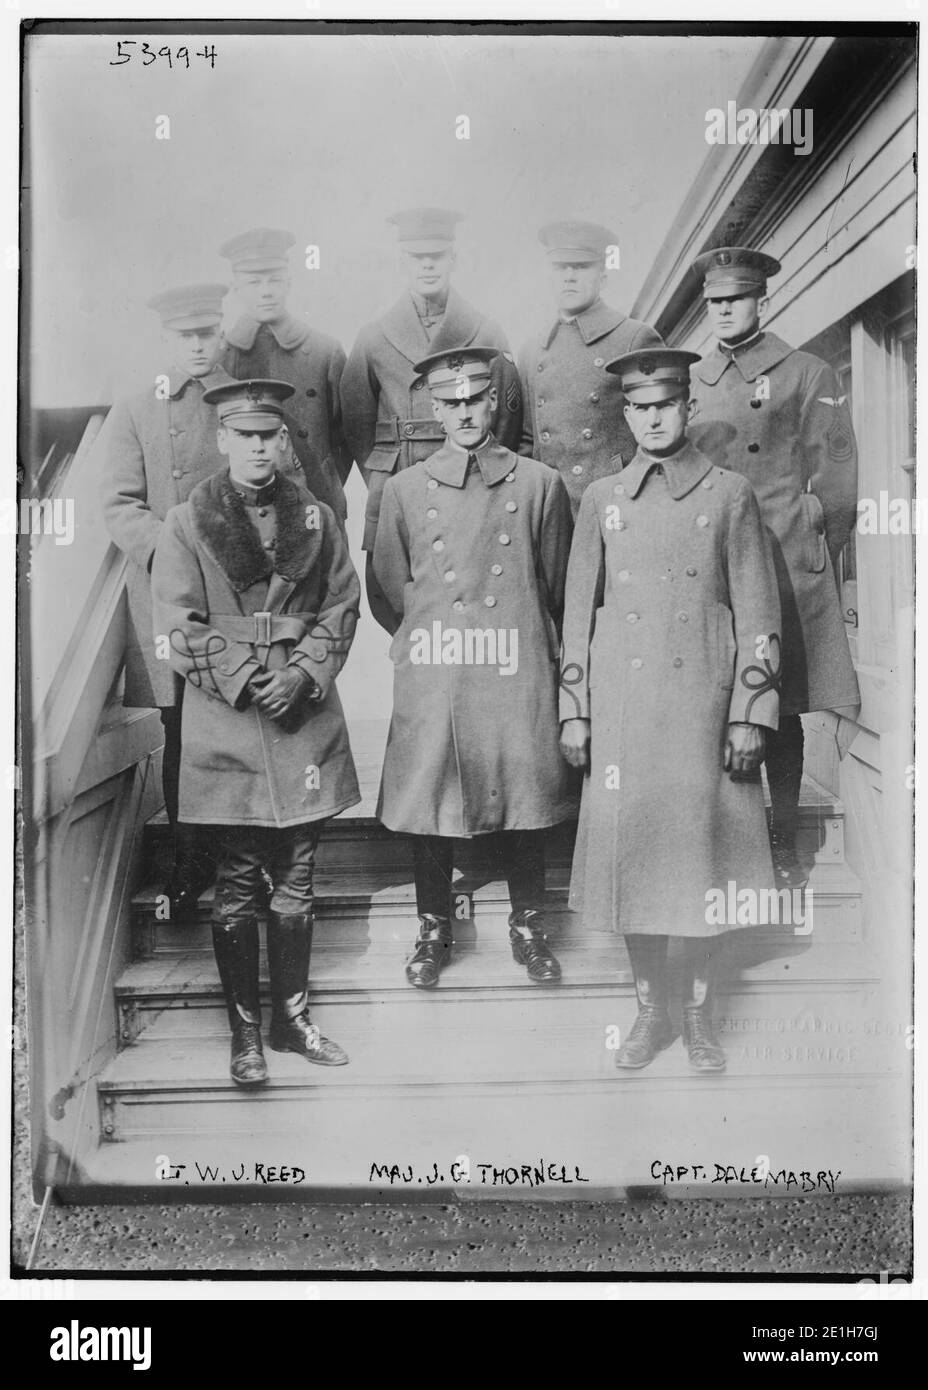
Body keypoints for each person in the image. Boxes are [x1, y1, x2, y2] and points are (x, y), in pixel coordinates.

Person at [559, 349, 781, 1073]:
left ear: (687, 408)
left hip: (705, 709)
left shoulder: (730, 494)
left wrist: (752, 710)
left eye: (665, 405)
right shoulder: (602, 499)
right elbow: (577, 616)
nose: (652, 418)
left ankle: (700, 1013)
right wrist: (574, 710)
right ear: (625, 413)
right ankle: (652, 1009)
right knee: (636, 865)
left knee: (704, 867)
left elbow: (759, 612)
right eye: (638, 406)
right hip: (625, 713)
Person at [151, 379, 361, 1086]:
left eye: (271, 436)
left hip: (302, 717)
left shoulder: (318, 519)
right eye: (245, 436)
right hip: (230, 719)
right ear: (222, 440)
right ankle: (244, 1032)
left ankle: (291, 1020)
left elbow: (341, 607)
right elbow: (178, 625)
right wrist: (246, 677)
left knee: (298, 879)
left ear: (285, 440)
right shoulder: (189, 520)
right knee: (239, 883)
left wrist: (302, 675)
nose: (260, 448)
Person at [371, 346, 574, 988]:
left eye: (474, 400)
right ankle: (433, 928)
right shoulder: (404, 490)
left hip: (515, 662)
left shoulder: (539, 484)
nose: (463, 412)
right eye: (450, 402)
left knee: (525, 793)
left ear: (494, 403)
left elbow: (558, 584)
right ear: (435, 408)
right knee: (429, 793)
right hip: (438, 666)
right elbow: (387, 588)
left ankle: (529, 927)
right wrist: (433, 636)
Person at [688, 246, 860, 887]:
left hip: (783, 559)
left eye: (735, 300)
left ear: (762, 301)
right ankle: (730, 841)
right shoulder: (695, 381)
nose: (724, 311)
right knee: (716, 699)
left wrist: (812, 552)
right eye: (715, 302)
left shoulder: (807, 373)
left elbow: (839, 485)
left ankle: (783, 837)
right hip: (711, 561)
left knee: (779, 707)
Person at [101, 282, 236, 917]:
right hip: (165, 594)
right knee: (180, 729)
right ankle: (189, 864)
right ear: (167, 339)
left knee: (236, 720)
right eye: (187, 337)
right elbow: (120, 505)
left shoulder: (244, 401)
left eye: (207, 334)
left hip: (234, 595)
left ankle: (242, 855)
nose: (200, 347)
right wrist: (173, 552)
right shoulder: (136, 407)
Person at [340, 208, 523, 627]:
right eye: (417, 257)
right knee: (405, 608)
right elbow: (355, 426)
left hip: (474, 488)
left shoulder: (486, 332)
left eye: (437, 256)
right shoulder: (373, 337)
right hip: (398, 486)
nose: (427, 265)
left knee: (477, 604)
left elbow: (508, 420)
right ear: (402, 262)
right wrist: (392, 474)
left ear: (453, 260)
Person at [519, 220, 664, 516]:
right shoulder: (532, 349)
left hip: (616, 507)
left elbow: (660, 432)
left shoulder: (634, 338)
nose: (569, 277)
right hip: (551, 511)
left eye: (582, 266)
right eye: (560, 267)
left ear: (603, 276)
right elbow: (526, 441)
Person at [219, 226, 350, 518]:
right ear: (235, 286)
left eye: (274, 280)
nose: (266, 291)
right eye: (254, 282)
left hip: (317, 505)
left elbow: (346, 436)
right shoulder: (221, 356)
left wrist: (320, 476)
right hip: (242, 512)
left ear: (289, 282)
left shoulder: (323, 351)